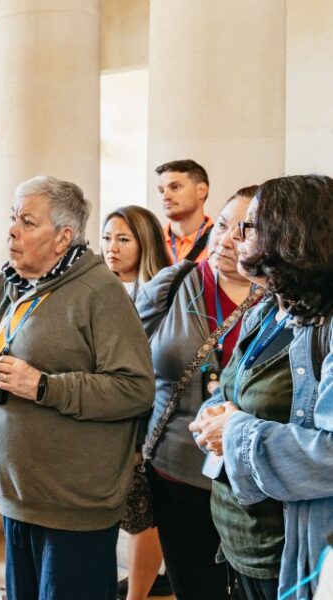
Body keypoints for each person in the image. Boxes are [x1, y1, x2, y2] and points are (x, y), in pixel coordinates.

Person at [0, 175, 155, 600]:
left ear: (64, 237)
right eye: (13, 218)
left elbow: (135, 388)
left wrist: (44, 387)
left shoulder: (99, 292)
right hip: (16, 497)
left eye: (27, 222)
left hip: (73, 508)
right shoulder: (8, 283)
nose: (12, 230)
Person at [191, 175, 333, 600]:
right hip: (241, 540)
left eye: (249, 225)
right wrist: (215, 414)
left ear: (290, 232)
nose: (236, 236)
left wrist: (232, 431)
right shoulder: (268, 307)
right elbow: (232, 389)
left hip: (293, 551)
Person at [135, 187, 262, 600]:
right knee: (194, 586)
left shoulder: (280, 300)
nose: (226, 240)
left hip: (250, 479)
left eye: (244, 231)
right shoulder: (174, 284)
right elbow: (125, 356)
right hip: (177, 473)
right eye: (223, 225)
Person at [100, 206, 173, 600]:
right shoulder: (94, 288)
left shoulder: (164, 292)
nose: (112, 247)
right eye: (107, 238)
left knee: (144, 515)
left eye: (123, 239)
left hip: (148, 414)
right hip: (102, 414)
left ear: (145, 242)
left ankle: (138, 594)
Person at [156, 159, 213, 263]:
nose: (165, 196)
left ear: (201, 191)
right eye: (161, 191)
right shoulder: (151, 241)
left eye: (175, 187)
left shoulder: (221, 243)